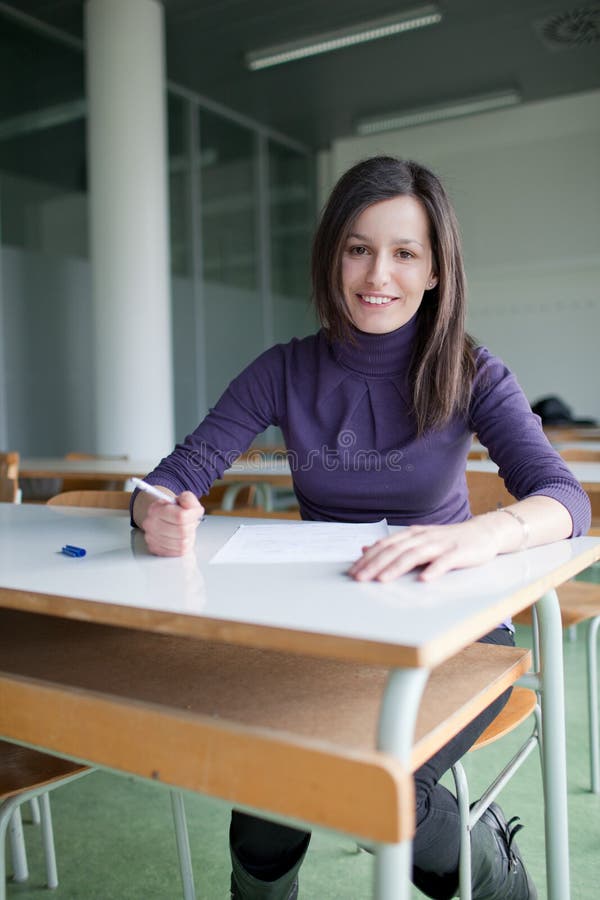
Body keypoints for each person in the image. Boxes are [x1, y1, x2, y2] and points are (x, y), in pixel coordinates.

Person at [132, 156, 590, 900]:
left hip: (457, 633)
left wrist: (476, 536)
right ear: (332, 255)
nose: (379, 274)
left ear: (436, 270)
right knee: (270, 774)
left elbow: (567, 499)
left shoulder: (472, 371)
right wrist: (153, 512)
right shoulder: (283, 369)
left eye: (405, 253)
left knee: (390, 790)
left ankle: (501, 879)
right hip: (330, 629)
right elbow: (174, 477)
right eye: (358, 247)